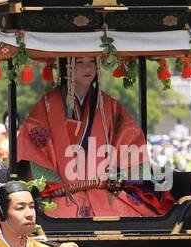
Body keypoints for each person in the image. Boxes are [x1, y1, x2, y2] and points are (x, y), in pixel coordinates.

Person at [17, 56, 165, 217]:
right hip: (62, 191)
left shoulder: (108, 104)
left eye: (92, 62)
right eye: (79, 62)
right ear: (67, 67)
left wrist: (114, 177)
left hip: (102, 187)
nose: (87, 68)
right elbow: (34, 144)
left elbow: (130, 137)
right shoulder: (48, 104)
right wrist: (55, 185)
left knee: (134, 215)